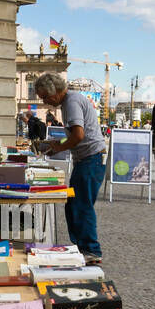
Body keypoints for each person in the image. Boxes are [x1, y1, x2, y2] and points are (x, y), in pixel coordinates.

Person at [36, 71, 106, 265]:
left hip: (90, 160)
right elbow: (76, 136)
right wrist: (57, 142)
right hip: (88, 159)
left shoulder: (71, 102)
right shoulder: (71, 101)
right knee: (75, 205)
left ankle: (91, 250)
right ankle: (81, 248)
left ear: (55, 91)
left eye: (46, 97)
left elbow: (79, 136)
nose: (46, 102)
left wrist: (58, 146)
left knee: (81, 206)